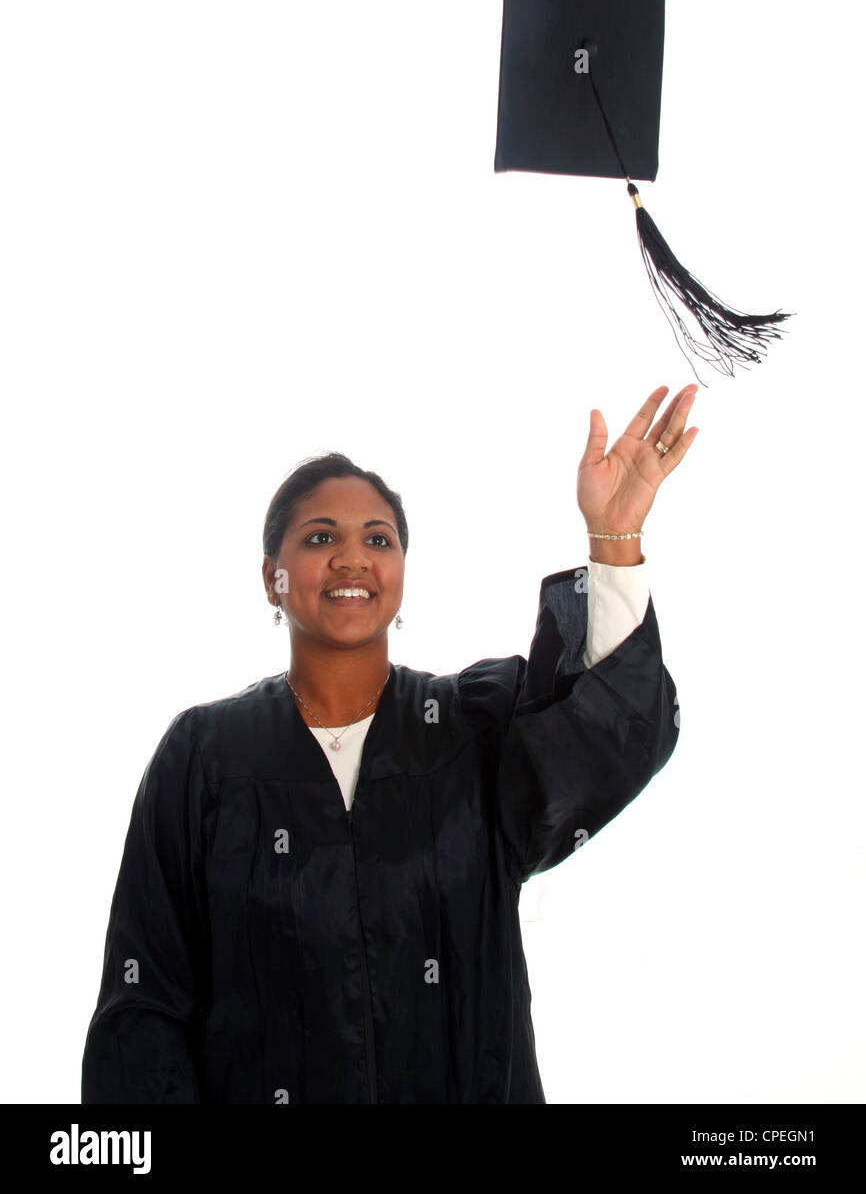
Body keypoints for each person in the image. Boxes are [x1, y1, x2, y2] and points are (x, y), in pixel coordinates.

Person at [81, 383, 698, 1104]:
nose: (352, 558)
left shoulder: (473, 728)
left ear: (401, 571)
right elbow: (146, 1004)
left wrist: (613, 542)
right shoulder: (204, 756)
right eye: (320, 538)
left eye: (378, 539)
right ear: (271, 578)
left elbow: (611, 737)